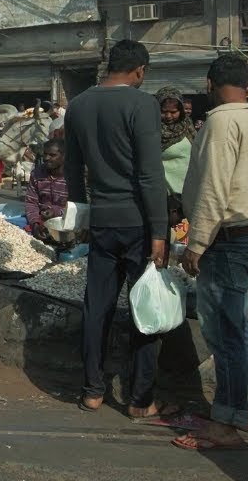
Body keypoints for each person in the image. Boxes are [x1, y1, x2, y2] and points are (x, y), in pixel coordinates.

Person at [64, 40, 171, 419]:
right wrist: (160, 229)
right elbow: (150, 174)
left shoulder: (77, 106)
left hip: (102, 221)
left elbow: (72, 171)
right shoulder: (142, 104)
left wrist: (79, 217)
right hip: (139, 222)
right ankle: (139, 400)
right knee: (145, 306)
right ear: (139, 70)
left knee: (98, 306)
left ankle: (93, 390)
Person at [174, 55, 248, 451]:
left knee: (225, 334)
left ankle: (227, 421)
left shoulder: (220, 121)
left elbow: (214, 189)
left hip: (226, 238)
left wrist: (197, 244)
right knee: (238, 327)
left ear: (210, 82)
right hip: (245, 235)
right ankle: (245, 405)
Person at [157, 87, 196, 232]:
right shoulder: (151, 129)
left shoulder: (187, 125)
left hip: (189, 192)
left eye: (173, 112)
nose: (168, 116)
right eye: (164, 111)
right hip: (165, 197)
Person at [24, 138, 68, 243]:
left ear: (64, 156)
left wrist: (55, 212)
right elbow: (31, 203)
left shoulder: (74, 176)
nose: (46, 158)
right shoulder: (37, 174)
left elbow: (78, 206)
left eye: (52, 155)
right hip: (41, 219)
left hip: (66, 222)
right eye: (45, 154)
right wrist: (35, 224)